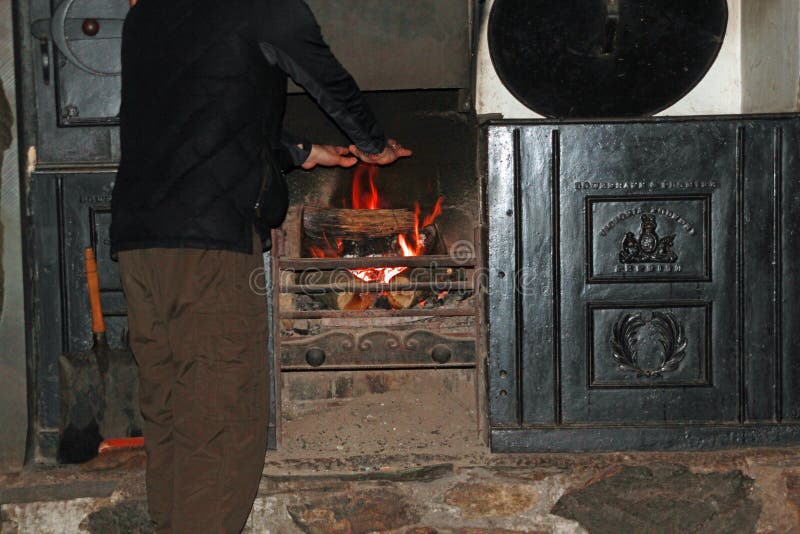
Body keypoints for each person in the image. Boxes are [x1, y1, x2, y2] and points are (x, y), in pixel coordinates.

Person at [110, 0, 411, 531]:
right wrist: (373, 144)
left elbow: (201, 113)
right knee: (223, 420)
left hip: (140, 242)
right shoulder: (265, 6)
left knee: (172, 413)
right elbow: (328, 81)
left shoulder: (146, 13)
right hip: (208, 249)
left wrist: (301, 151)